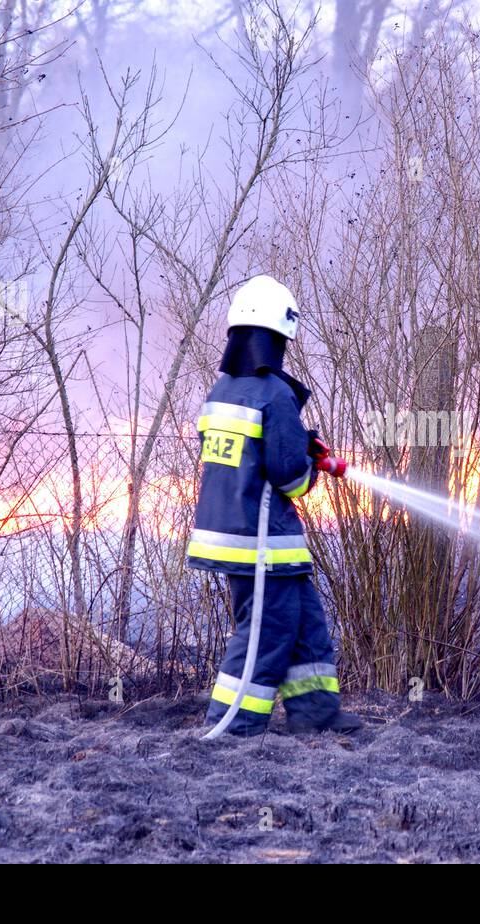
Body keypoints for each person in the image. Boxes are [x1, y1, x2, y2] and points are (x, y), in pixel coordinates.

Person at [187, 275, 361, 736]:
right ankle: (231, 725)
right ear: (278, 338)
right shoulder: (276, 396)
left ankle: (316, 714)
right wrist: (307, 461)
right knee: (266, 633)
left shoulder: (220, 394)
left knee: (304, 622)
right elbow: (289, 478)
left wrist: (301, 444)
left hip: (241, 535)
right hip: (261, 541)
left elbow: (245, 459)